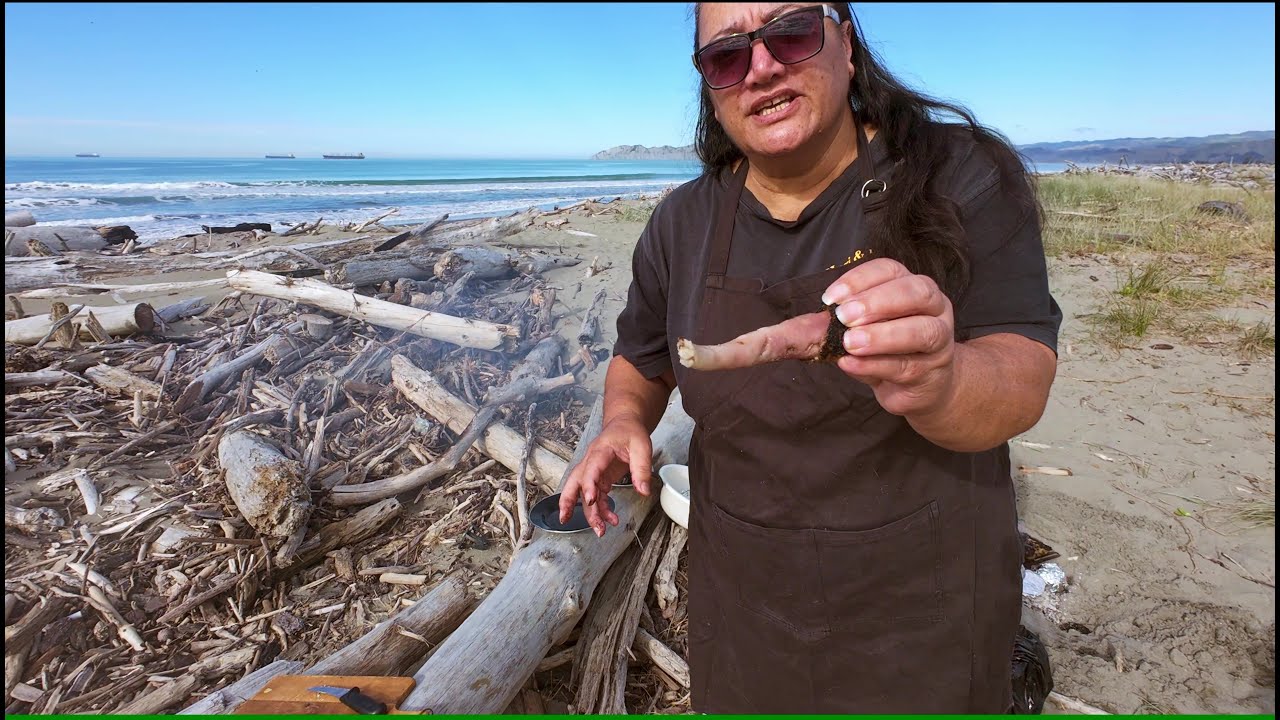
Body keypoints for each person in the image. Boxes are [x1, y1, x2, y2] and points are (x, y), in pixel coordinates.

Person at [559, 2, 1061, 713]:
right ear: (709, 86)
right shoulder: (682, 223)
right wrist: (620, 422)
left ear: (845, 43)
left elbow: (1024, 369)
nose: (761, 68)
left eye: (789, 34)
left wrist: (943, 381)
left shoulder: (960, 174)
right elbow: (642, 358)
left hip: (925, 618)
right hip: (746, 615)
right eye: (727, 56)